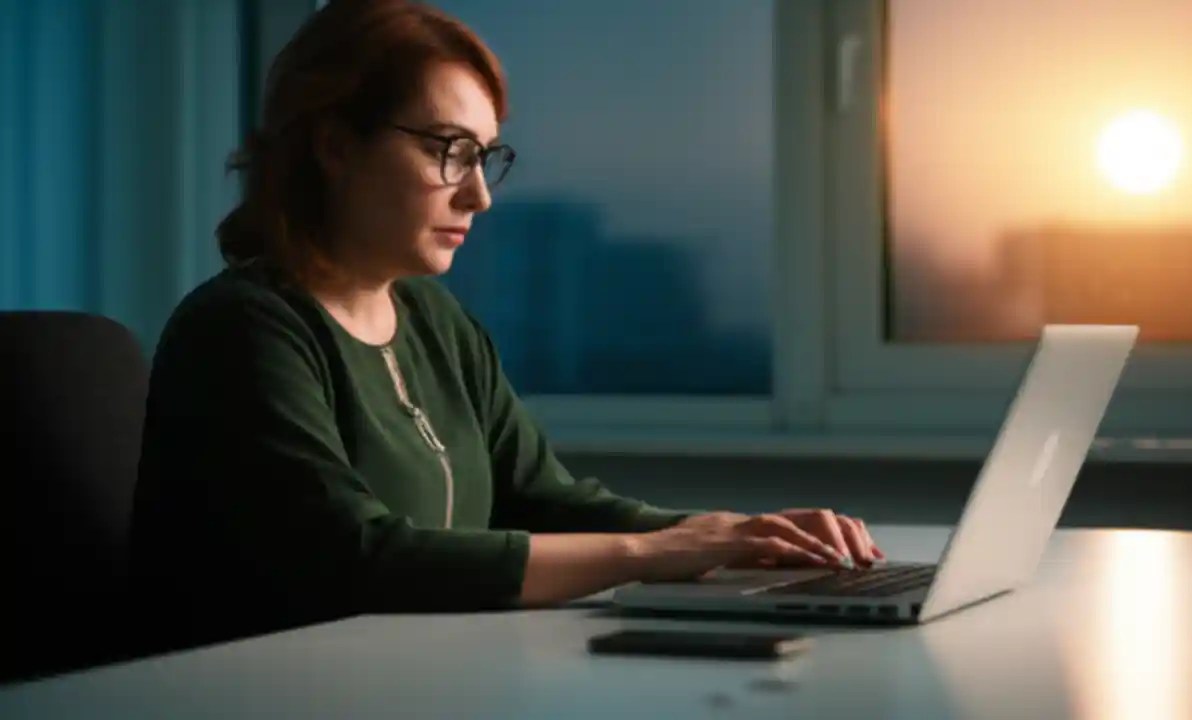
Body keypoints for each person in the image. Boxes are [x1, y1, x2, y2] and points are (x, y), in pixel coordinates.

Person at [129, 0, 882, 650]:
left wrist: (738, 538)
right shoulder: (240, 331)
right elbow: (354, 558)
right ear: (333, 145)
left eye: (487, 157)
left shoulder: (432, 318)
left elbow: (541, 497)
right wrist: (648, 552)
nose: (480, 197)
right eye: (449, 152)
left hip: (404, 683)